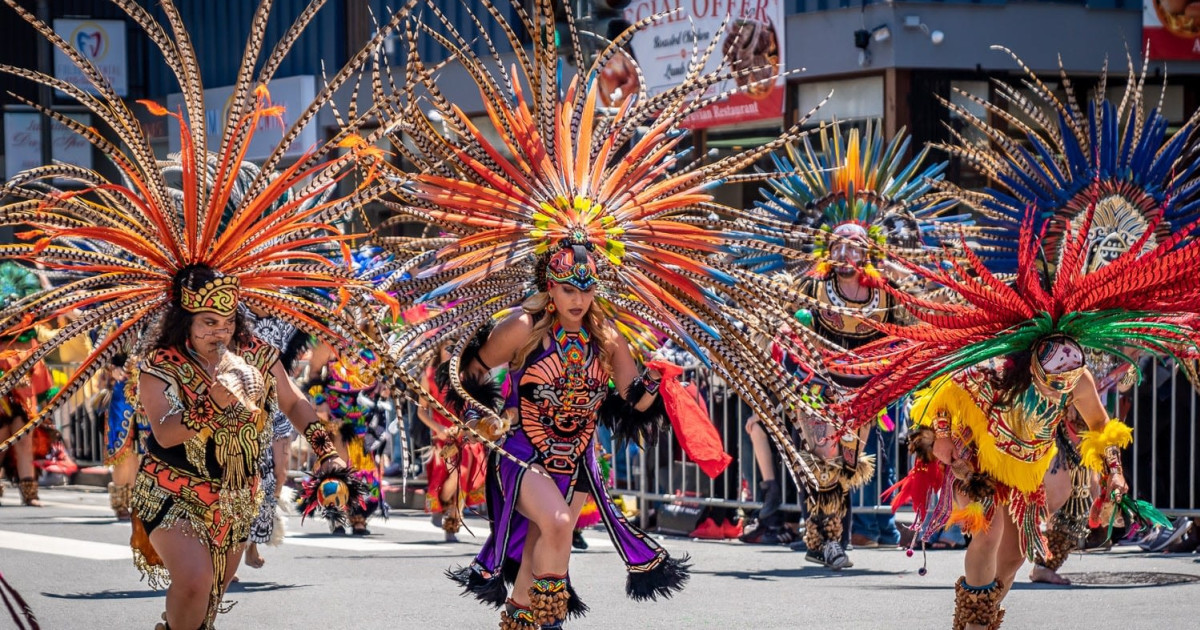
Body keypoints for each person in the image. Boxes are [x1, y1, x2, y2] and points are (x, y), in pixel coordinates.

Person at [0, 3, 393, 626]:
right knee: (194, 582)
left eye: (226, 320)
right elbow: (166, 432)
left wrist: (328, 454)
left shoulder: (258, 355)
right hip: (175, 492)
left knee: (206, 602)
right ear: (184, 320)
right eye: (205, 322)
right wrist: (223, 403)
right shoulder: (161, 363)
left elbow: (292, 403)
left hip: (237, 497)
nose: (217, 330)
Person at [418, 341, 486, 542]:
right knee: (454, 476)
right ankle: (442, 504)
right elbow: (421, 411)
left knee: (464, 476)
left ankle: (453, 522)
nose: (451, 351)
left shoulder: (469, 374)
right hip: (444, 437)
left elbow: (480, 405)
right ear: (439, 348)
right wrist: (437, 428)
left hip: (467, 436)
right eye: (448, 347)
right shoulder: (429, 376)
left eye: (457, 347)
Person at [101, 354, 143, 520]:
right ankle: (122, 503)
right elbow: (101, 352)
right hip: (122, 391)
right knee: (123, 448)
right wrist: (111, 369)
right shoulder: (116, 327)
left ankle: (138, 502)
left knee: (148, 449)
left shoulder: (160, 327)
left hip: (152, 385)